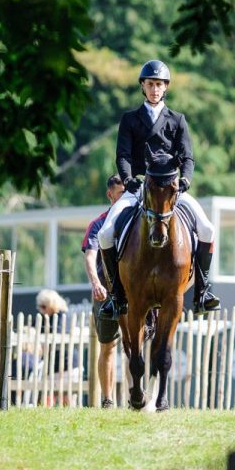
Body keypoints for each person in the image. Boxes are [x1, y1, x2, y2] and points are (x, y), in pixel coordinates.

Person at [96, 60, 220, 316]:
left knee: (207, 229)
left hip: (171, 189)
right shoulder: (130, 119)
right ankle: (116, 295)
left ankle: (202, 291)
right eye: (150, 84)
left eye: (159, 84)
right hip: (138, 186)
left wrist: (185, 180)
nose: (155, 89)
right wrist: (129, 180)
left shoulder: (177, 119)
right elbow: (123, 156)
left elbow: (187, 157)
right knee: (106, 234)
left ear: (166, 88)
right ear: (143, 86)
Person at [83, 175, 126, 408]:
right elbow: (90, 257)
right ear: (110, 195)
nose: (125, 198)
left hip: (131, 292)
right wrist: (96, 283)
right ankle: (108, 400)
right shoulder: (98, 224)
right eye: (120, 194)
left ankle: (135, 397)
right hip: (106, 293)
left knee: (134, 345)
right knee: (107, 345)